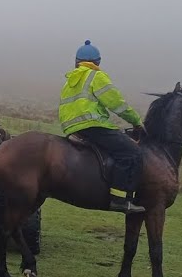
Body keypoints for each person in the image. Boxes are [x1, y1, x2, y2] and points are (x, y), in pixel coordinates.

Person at [59, 40, 147, 214]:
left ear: (77, 61)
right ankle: (120, 199)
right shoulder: (96, 76)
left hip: (71, 127)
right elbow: (116, 104)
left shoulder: (70, 81)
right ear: (97, 62)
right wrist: (136, 121)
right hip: (93, 125)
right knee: (131, 152)